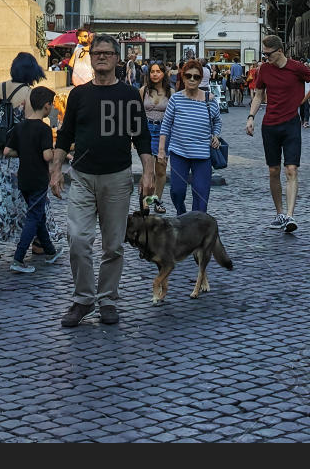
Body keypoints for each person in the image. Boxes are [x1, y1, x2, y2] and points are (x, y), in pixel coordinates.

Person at [50, 34, 155, 327]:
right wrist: (56, 169)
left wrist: (148, 172)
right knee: (78, 240)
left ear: (117, 58)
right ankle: (83, 299)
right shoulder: (78, 95)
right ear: (91, 57)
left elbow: (142, 137)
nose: (101, 57)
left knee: (113, 246)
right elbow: (66, 135)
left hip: (117, 179)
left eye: (107, 53)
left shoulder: (129, 95)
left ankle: (107, 299)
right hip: (82, 178)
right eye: (97, 53)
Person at [0, 53, 57, 261]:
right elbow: (31, 128)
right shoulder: (28, 94)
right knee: (33, 198)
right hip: (18, 156)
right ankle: (38, 242)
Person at [246, 35, 310, 234]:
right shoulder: (264, 70)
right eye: (263, 54)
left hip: (291, 124)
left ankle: (290, 215)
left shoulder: (297, 67)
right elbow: (259, 94)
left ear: (279, 51)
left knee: (291, 169)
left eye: (268, 54)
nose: (265, 58)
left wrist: (303, 101)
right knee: (273, 170)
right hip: (270, 125)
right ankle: (280, 213)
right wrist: (251, 117)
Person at [4, 87, 61, 274]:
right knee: (34, 217)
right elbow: (46, 156)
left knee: (38, 216)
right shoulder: (44, 129)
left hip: (24, 179)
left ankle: (50, 251)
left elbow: (7, 151)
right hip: (38, 178)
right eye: (51, 104)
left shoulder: (20, 126)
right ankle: (18, 258)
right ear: (46, 106)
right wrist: (58, 152)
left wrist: (24, 151)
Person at [160, 59, 222, 215]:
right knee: (176, 191)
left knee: (201, 195)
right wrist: (162, 150)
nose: (192, 79)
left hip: (202, 155)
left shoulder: (209, 99)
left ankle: (196, 227)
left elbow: (217, 121)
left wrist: (216, 135)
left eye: (196, 76)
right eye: (189, 76)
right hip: (179, 153)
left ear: (201, 79)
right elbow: (166, 125)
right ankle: (182, 215)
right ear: (183, 77)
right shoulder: (176, 99)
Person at [140, 61, 172, 201]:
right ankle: (145, 201)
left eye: (158, 71)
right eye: (152, 71)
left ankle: (157, 199)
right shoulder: (143, 91)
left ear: (163, 73)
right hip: (147, 130)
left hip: (163, 132)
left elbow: (173, 116)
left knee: (160, 170)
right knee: (147, 170)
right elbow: (137, 114)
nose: (155, 74)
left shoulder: (171, 92)